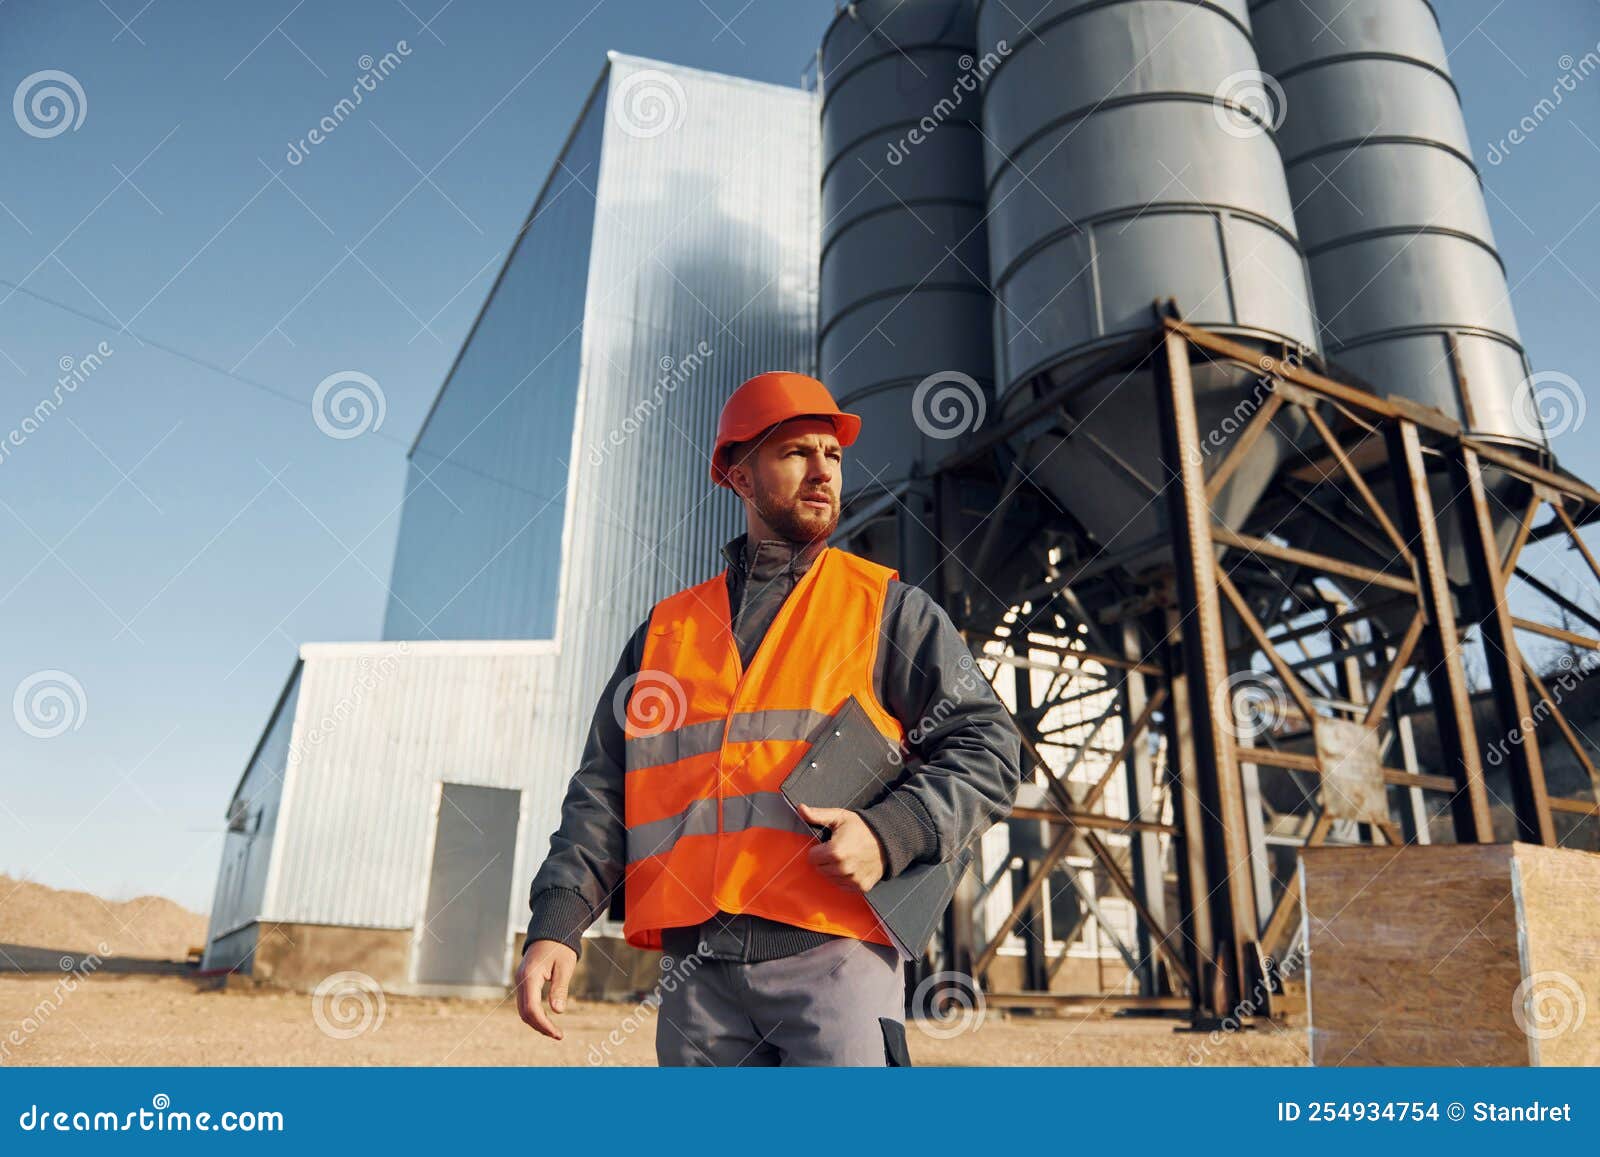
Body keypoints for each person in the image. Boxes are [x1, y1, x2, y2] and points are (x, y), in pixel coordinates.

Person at [515, 370, 1021, 1066]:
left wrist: (891, 831)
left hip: (835, 959)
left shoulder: (887, 610)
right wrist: (559, 921)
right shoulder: (665, 632)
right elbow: (604, 789)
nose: (823, 470)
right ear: (739, 475)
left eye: (833, 455)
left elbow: (990, 744)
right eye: (795, 452)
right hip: (698, 985)